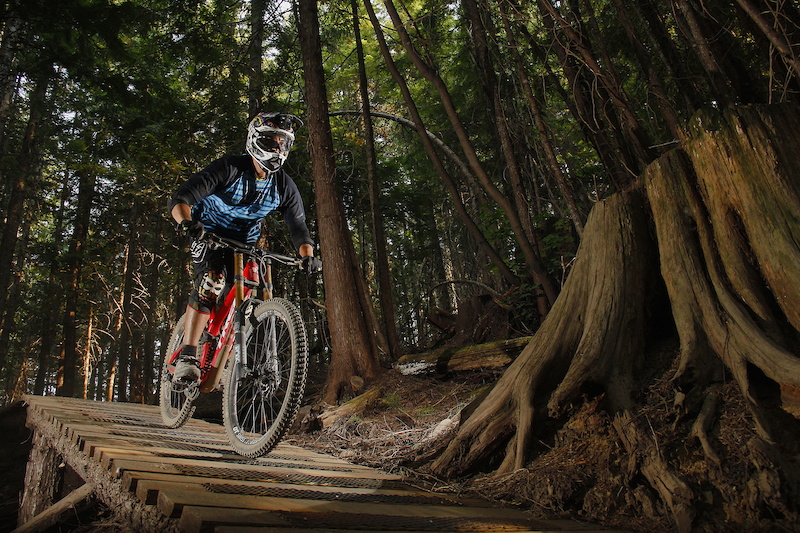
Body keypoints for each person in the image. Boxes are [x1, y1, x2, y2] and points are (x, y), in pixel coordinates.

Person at [169, 111, 321, 384]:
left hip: (245, 243)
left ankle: (231, 353)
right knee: (211, 283)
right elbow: (183, 196)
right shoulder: (230, 168)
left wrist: (308, 256)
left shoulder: (283, 185)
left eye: (282, 143)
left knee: (250, 291)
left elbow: (298, 225)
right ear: (254, 141)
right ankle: (188, 355)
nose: (276, 149)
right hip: (208, 233)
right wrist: (187, 223)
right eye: (270, 142)